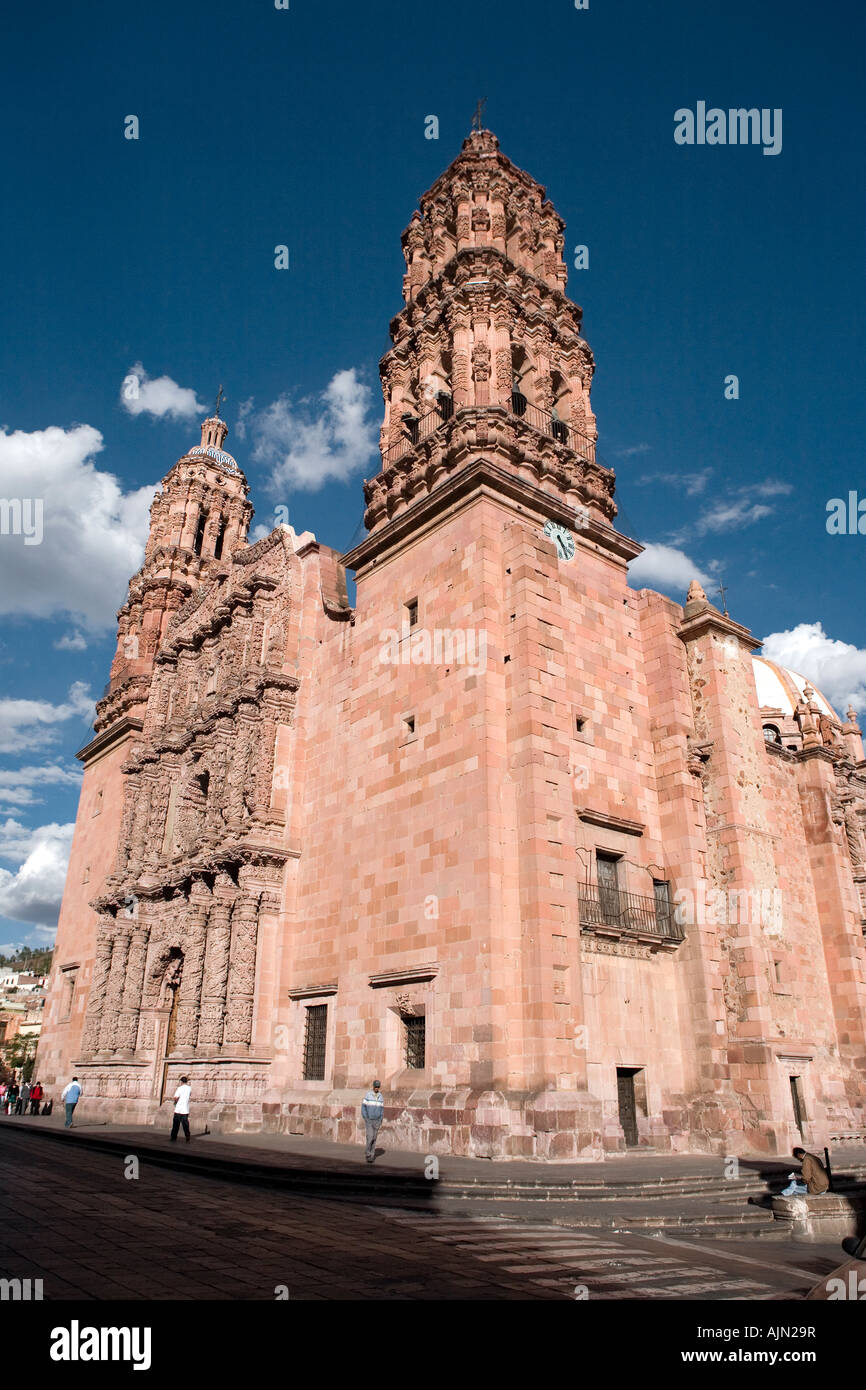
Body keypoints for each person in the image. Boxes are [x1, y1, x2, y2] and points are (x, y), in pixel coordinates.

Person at [361, 1079, 384, 1164]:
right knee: (370, 1137)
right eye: (376, 1087)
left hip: (377, 1120)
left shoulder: (381, 1096)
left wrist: (381, 1118)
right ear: (373, 1087)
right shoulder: (368, 1095)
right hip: (369, 1120)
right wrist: (365, 1117)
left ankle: (372, 1155)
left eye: (378, 1087)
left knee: (374, 1138)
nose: (377, 1088)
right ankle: (367, 1153)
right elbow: (363, 1107)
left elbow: (382, 1109)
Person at [170, 1075, 192, 1142]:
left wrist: (175, 1102)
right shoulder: (189, 1088)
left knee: (176, 1124)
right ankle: (187, 1136)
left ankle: (173, 1137)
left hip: (178, 1109)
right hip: (185, 1109)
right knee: (185, 1124)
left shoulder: (179, 1088)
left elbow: (176, 1097)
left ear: (181, 1081)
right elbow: (189, 1095)